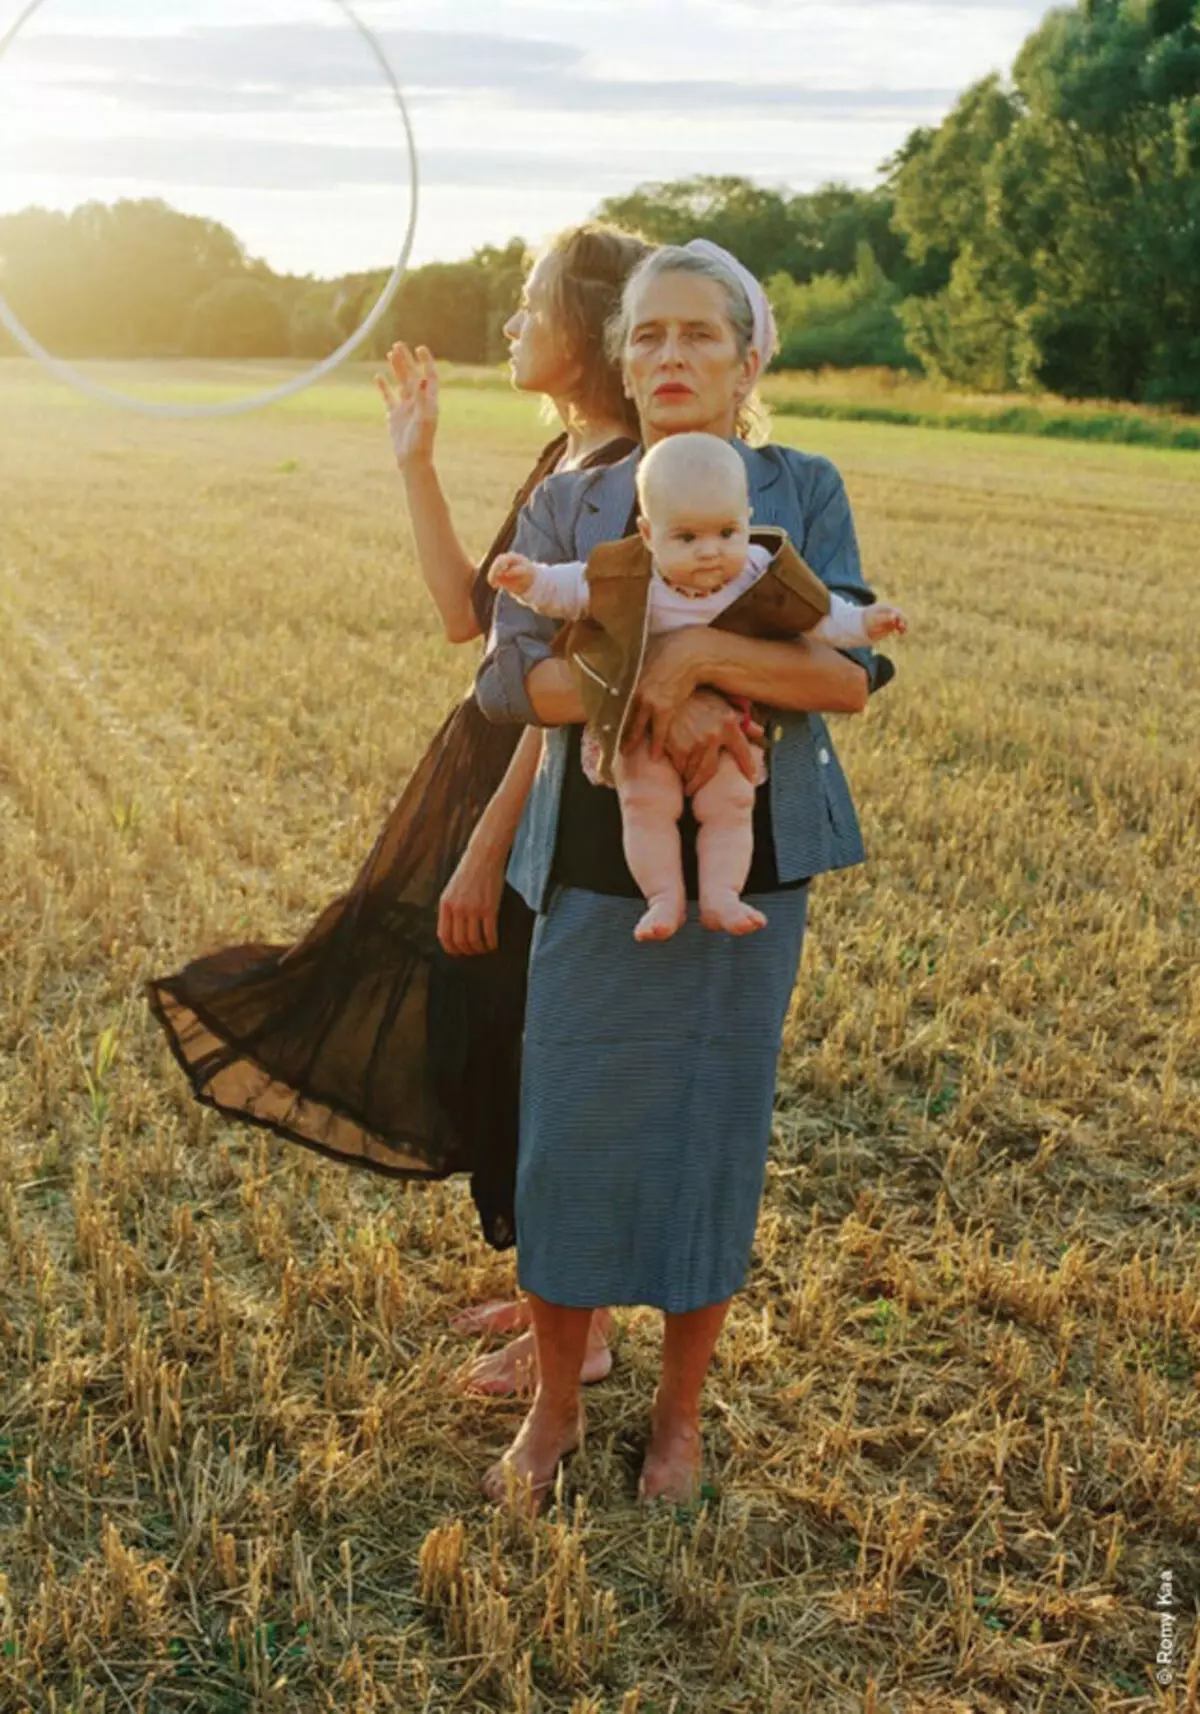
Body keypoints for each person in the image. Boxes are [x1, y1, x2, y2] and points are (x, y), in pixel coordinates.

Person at [145, 222, 675, 1397]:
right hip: (482, 762)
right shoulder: (567, 463)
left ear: (586, 328)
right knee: (488, 1027)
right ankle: (554, 1291)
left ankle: (578, 1335)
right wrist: (414, 459)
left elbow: (585, 694)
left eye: (531, 304)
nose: (511, 323)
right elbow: (464, 618)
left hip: (534, 791)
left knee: (538, 1041)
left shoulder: (632, 481)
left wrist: (486, 845)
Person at [472, 239, 896, 1508]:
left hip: (754, 874)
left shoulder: (800, 488)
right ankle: (554, 1410)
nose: (668, 357)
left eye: (698, 334)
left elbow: (845, 674)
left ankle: (678, 1420)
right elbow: (512, 680)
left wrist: (694, 668)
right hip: (599, 866)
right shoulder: (575, 502)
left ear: (749, 356)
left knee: (710, 1135)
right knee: (569, 1138)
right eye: (647, 334)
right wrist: (644, 687)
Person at [488, 431, 906, 940]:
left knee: (731, 804)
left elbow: (821, 618)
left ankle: (721, 895)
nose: (711, 553)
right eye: (686, 539)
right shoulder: (627, 572)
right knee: (645, 802)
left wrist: (867, 624)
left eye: (727, 532)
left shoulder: (757, 569)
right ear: (648, 534)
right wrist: (527, 580)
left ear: (748, 520)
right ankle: (663, 897)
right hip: (640, 727)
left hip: (732, 718)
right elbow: (567, 589)